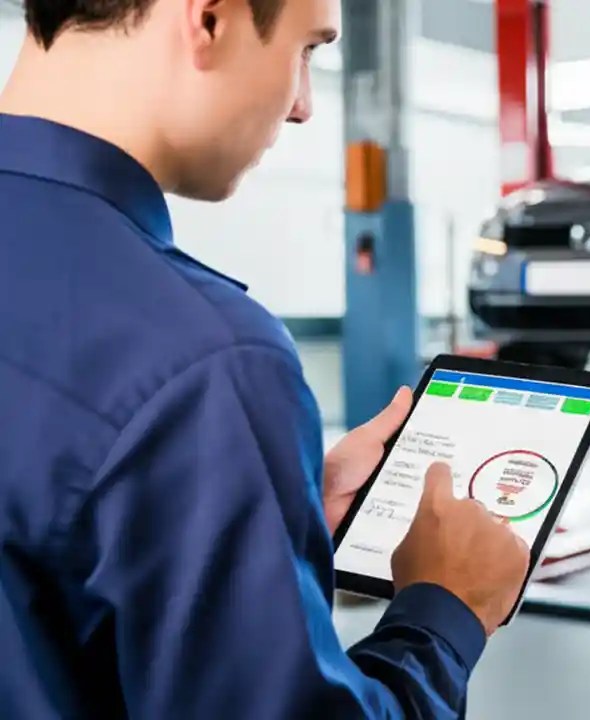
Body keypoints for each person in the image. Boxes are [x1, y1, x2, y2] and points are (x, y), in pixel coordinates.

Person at [0, 1, 530, 718]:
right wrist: (445, 610)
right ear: (210, 18)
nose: (305, 107)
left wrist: (266, 500)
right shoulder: (203, 357)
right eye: (307, 50)